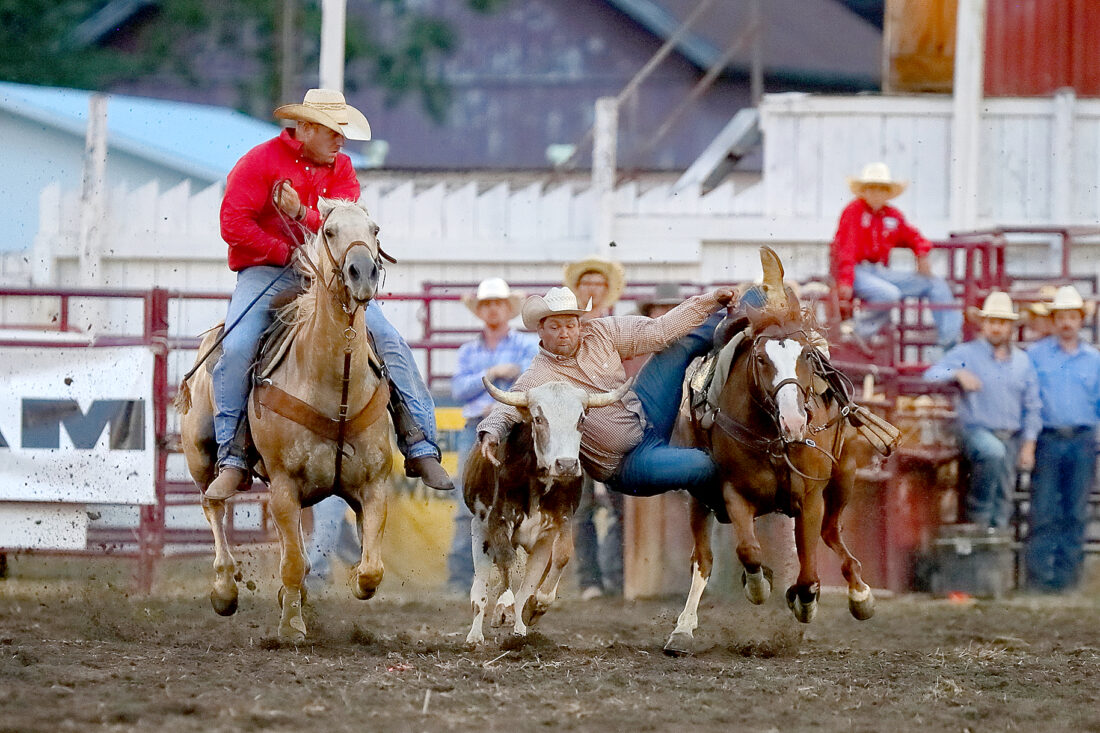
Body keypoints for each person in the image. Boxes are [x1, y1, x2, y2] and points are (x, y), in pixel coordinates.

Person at [205, 88, 452, 501]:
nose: (340, 139)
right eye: (332, 130)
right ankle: (232, 456)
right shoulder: (259, 163)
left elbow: (348, 218)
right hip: (267, 271)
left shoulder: (342, 167)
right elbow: (233, 223)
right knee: (238, 346)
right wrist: (285, 250)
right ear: (304, 128)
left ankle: (420, 444)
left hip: (330, 274)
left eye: (342, 131)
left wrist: (303, 215)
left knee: (388, 339)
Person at [476, 284, 737, 510]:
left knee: (677, 342)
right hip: (625, 464)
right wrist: (490, 431)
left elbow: (660, 330)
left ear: (580, 324)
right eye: (554, 327)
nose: (564, 333)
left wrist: (712, 299)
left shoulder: (601, 332)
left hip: (645, 411)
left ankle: (745, 318)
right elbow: (508, 407)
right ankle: (723, 510)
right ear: (540, 332)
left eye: (570, 325)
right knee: (702, 465)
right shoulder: (540, 376)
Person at [445, 278, 538, 593]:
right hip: (476, 426)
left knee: (516, 498)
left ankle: (509, 577)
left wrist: (484, 384)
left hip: (514, 429)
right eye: (487, 304)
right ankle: (461, 579)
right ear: (481, 311)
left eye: (498, 303)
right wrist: (496, 372)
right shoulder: (471, 349)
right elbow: (457, 388)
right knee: (466, 501)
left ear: (507, 309)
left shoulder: (525, 346)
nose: (493, 309)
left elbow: (529, 382)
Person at [923, 292, 1041, 530]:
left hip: (1011, 435)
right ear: (984, 325)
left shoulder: (1022, 362)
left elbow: (1033, 406)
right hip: (976, 430)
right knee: (992, 453)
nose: (997, 328)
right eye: (992, 321)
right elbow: (931, 373)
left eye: (1002, 322)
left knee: (1004, 496)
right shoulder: (966, 354)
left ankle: (994, 548)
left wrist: (1029, 444)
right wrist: (956, 373)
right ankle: (978, 521)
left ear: (1009, 328)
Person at [831, 161, 962, 349]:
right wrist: (845, 280)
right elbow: (846, 250)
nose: (876, 193)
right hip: (858, 271)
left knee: (935, 284)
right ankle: (859, 334)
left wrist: (922, 254)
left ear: (888, 192)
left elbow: (913, 236)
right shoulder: (853, 212)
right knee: (888, 294)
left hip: (880, 272)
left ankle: (948, 343)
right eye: (871, 188)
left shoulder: (892, 215)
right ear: (863, 191)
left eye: (882, 188)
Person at [1025, 285, 1100, 592]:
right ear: (1053, 321)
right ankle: (1039, 581)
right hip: (1048, 439)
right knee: (1043, 509)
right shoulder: (1034, 356)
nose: (1067, 323)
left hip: (1082, 440)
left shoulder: (1094, 359)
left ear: (1080, 320)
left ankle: (1068, 582)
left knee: (1075, 510)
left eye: (1073, 317)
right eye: (1062, 317)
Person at [562, 256, 627, 598]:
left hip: (614, 428)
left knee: (621, 507)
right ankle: (590, 580)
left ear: (607, 291)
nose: (592, 289)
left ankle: (617, 578)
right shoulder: (566, 332)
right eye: (586, 283)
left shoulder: (620, 330)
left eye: (598, 284)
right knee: (581, 507)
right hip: (576, 431)